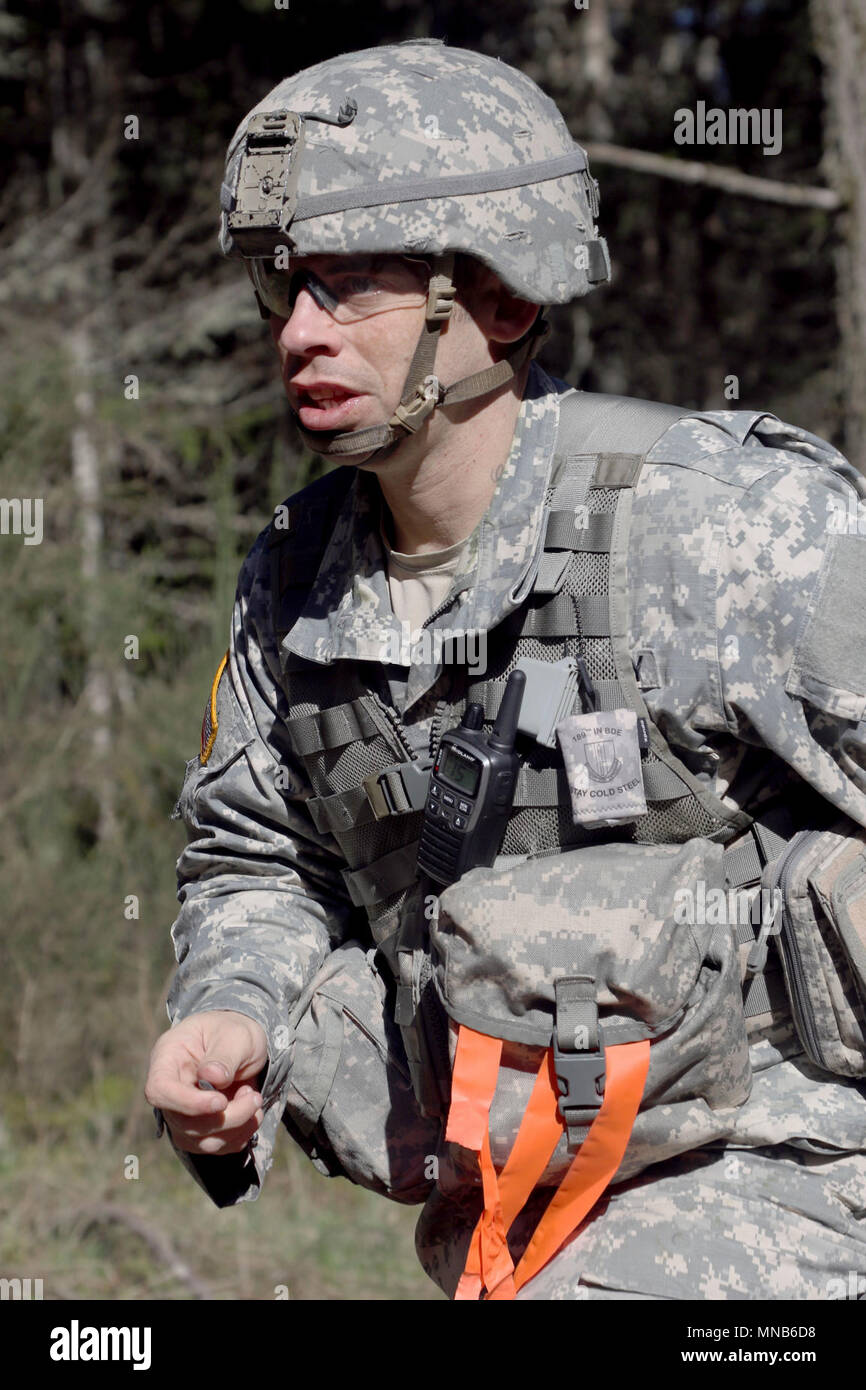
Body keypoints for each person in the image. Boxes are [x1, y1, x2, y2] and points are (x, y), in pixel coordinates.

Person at [145, 39, 866, 1301]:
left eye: (352, 288)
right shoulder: (293, 581)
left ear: (505, 302)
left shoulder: (716, 526)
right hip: (512, 1207)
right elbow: (250, 861)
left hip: (790, 1172)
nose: (299, 332)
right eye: (283, 285)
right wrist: (235, 1014)